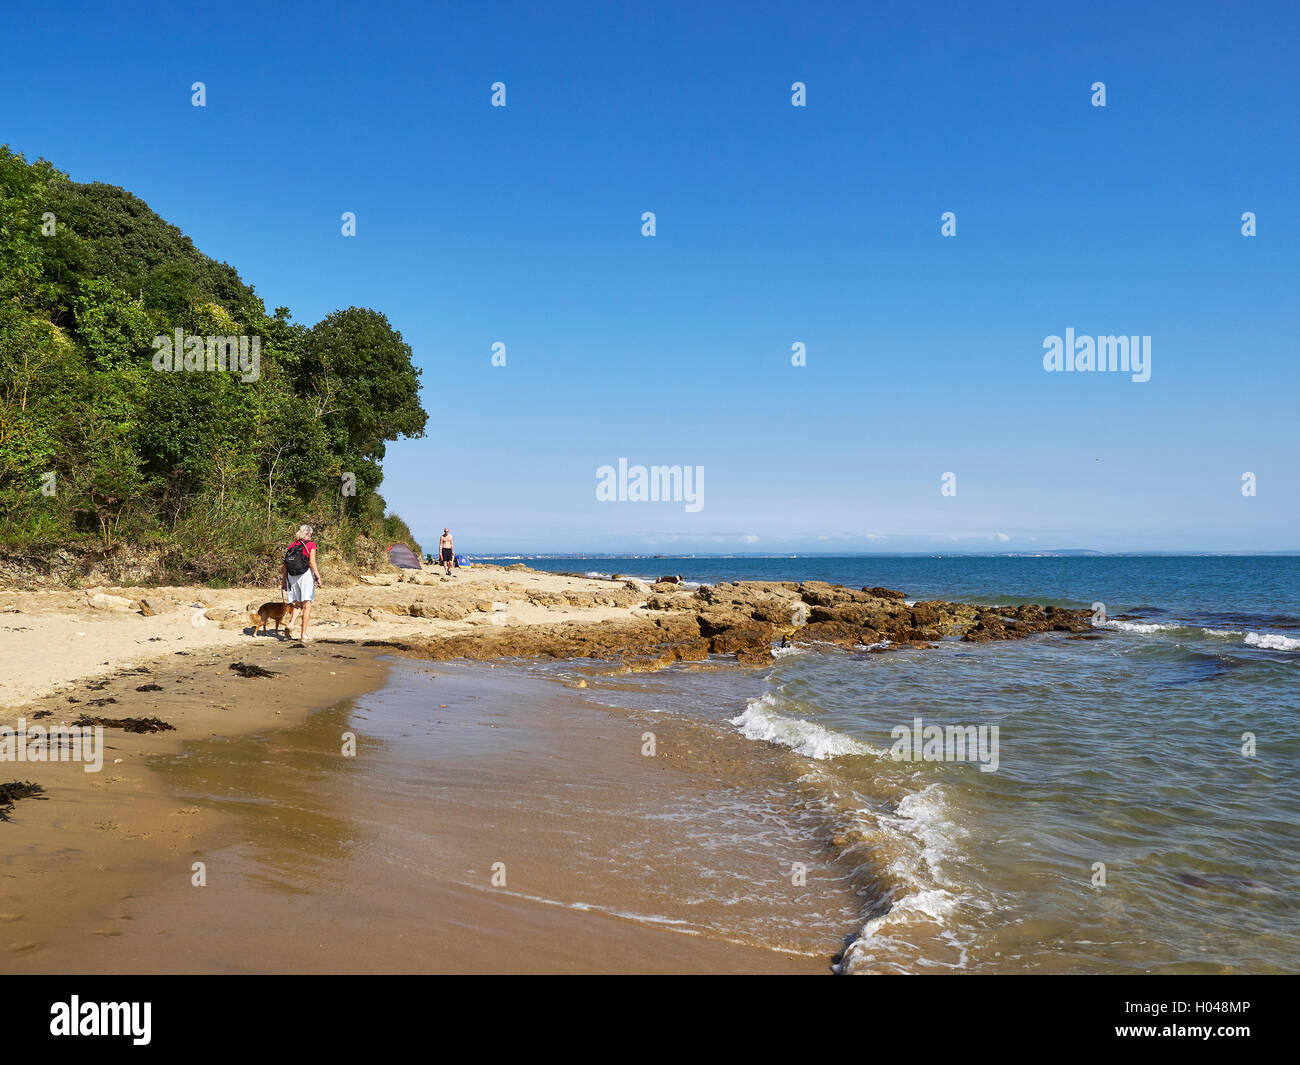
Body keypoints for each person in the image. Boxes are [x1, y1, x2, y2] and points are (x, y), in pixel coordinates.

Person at [281, 524, 323, 641]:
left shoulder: (292, 545)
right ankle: (303, 635)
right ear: (308, 534)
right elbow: (311, 562)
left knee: (298, 603)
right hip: (305, 576)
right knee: (307, 604)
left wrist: (284, 581)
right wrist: (318, 577)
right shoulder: (311, 544)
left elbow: (284, 565)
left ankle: (291, 624)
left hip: (292, 576)